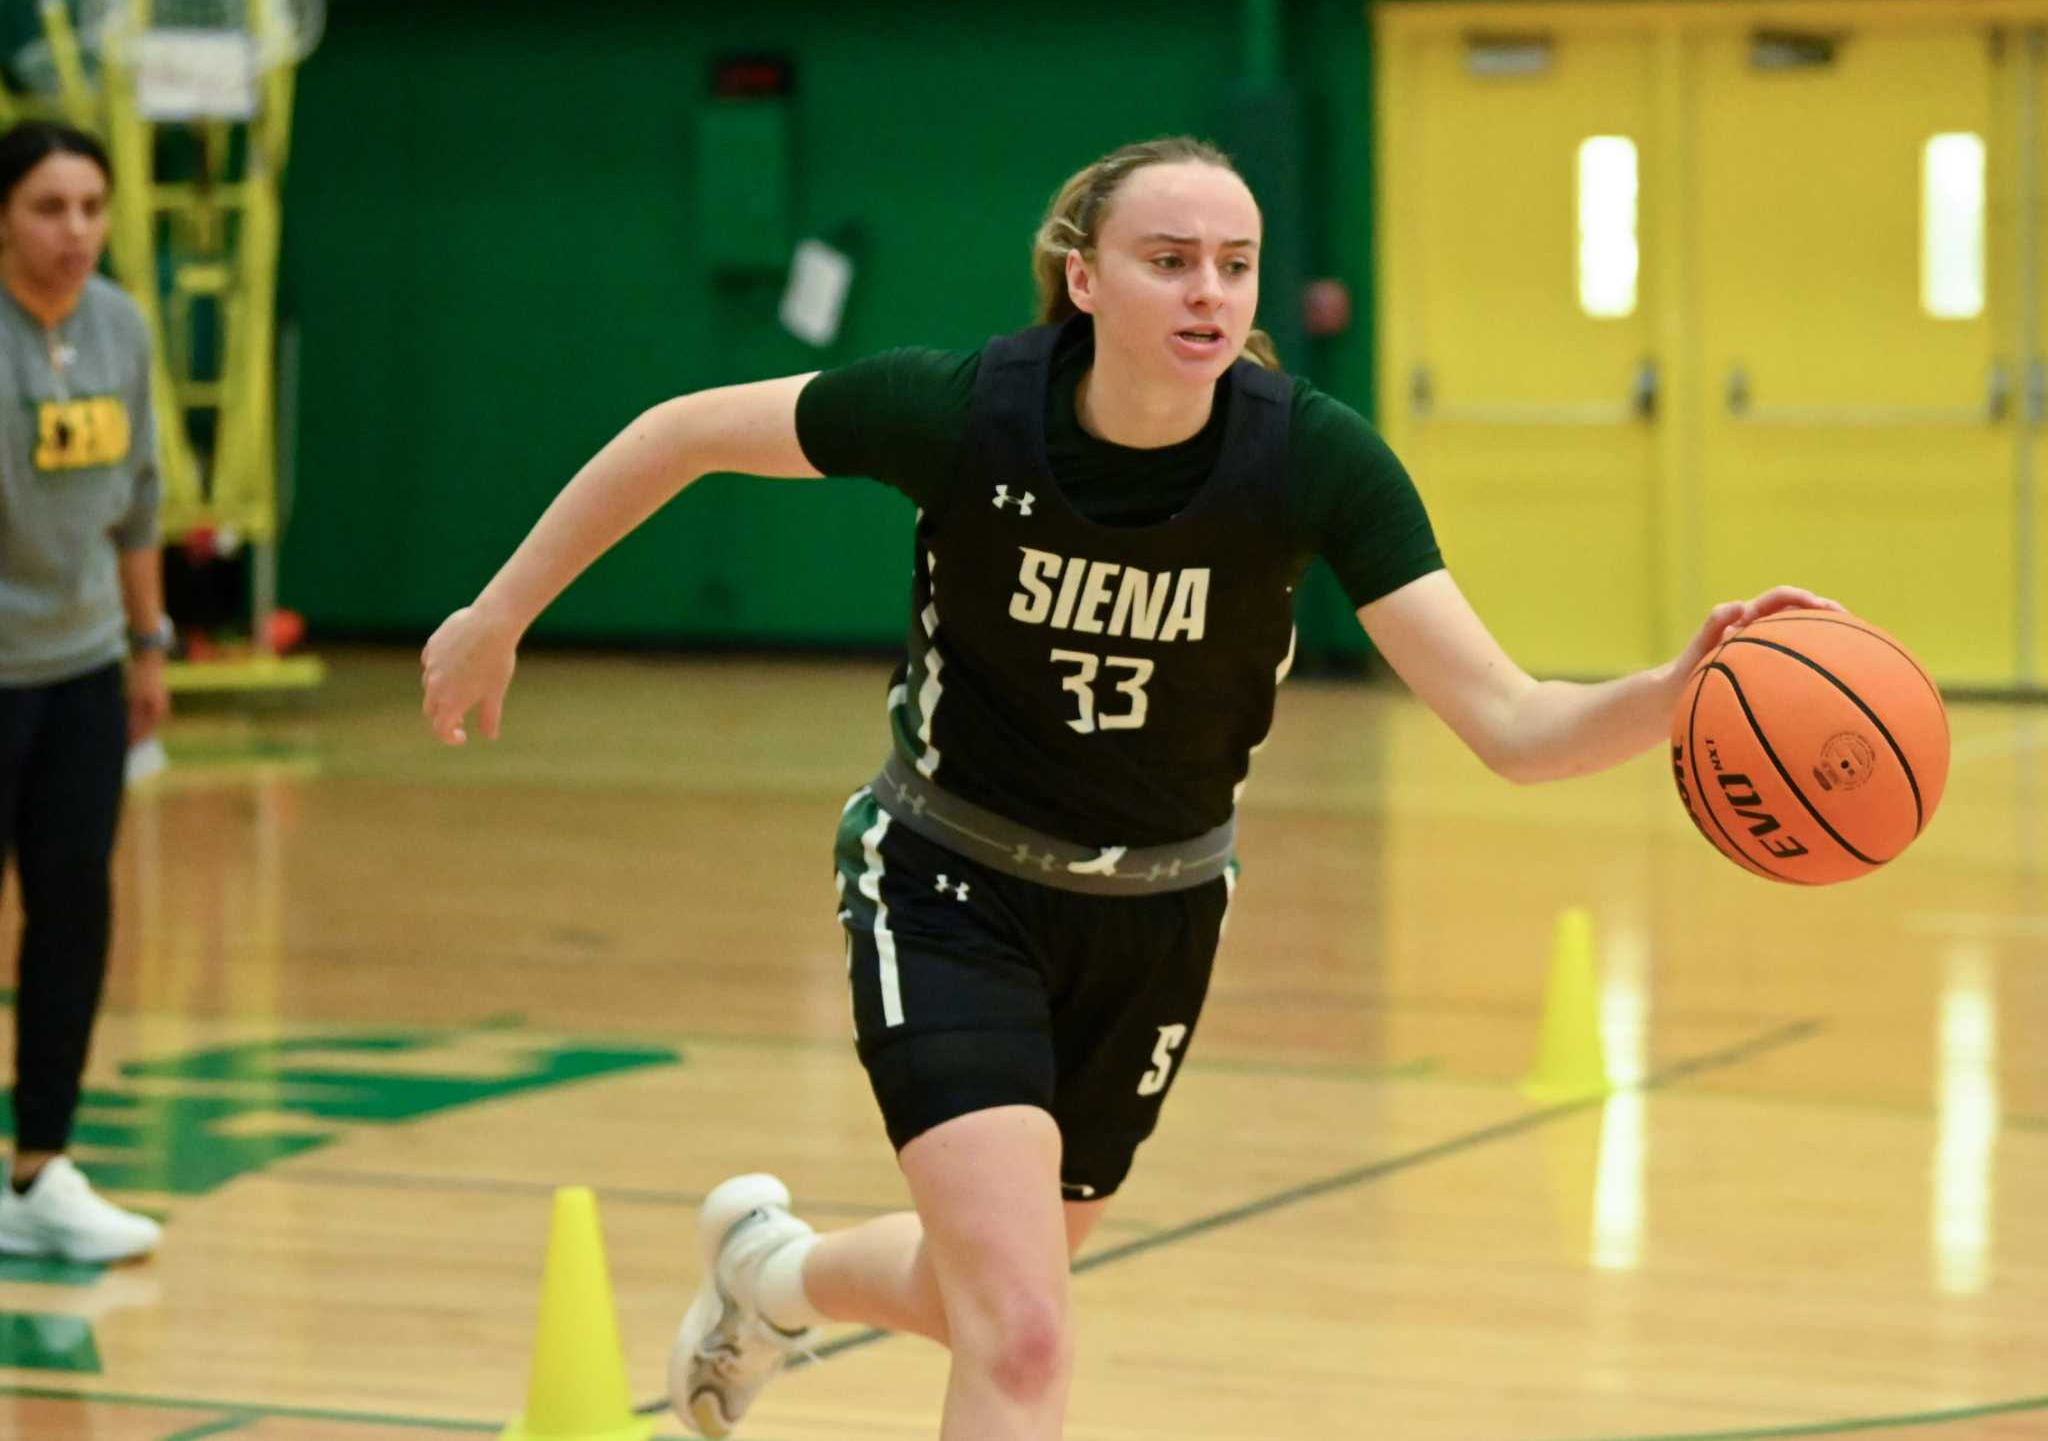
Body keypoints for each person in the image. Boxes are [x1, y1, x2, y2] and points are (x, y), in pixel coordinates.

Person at [421, 136, 1831, 1439]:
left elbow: (1516, 726)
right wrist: (500, 612)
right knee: (1024, 1338)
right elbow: (679, 431)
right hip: (947, 884)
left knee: (989, 1293)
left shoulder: (1311, 458)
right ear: (1084, 279)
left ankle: (772, 1275)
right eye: (1171, 259)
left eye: (1235, 263)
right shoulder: (965, 414)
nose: (1209, 290)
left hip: (1158, 918)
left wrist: (1679, 691)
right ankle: (776, 1278)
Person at [0, 120, 169, 1264]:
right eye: (50, 208)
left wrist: (148, 643)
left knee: (72, 916)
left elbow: (139, 499)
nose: (76, 232)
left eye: (92, 208)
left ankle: (41, 1168)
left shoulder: (121, 326)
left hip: (85, 671)